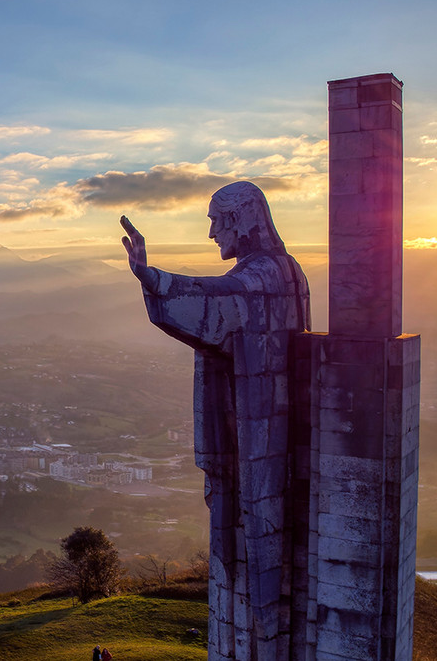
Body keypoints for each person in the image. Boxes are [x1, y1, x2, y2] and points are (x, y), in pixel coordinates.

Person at [121, 182, 309, 661]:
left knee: (250, 568)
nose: (209, 233)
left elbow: (211, 301)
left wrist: (151, 277)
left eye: (215, 221)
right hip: (271, 446)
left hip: (255, 452)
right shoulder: (288, 272)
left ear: (243, 220)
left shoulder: (261, 277)